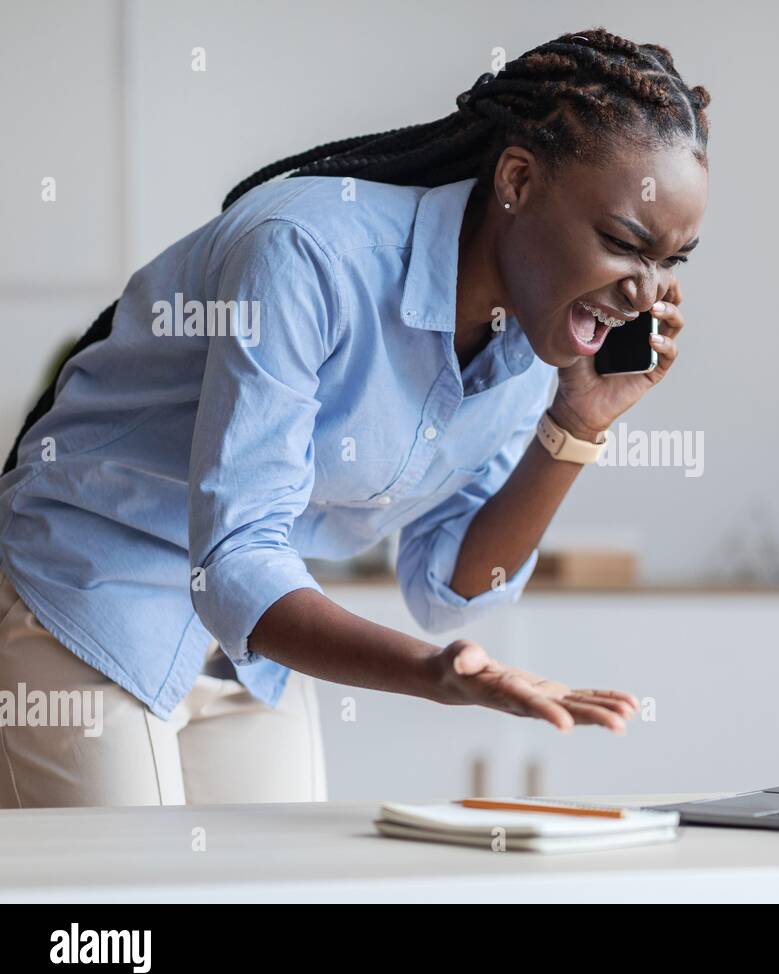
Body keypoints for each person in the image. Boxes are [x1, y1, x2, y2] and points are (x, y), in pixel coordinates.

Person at [0, 27, 710, 808]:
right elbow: (235, 559)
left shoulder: (530, 345)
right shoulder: (306, 250)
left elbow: (450, 583)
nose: (644, 291)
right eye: (623, 243)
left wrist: (576, 425)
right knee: (122, 919)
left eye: (668, 261)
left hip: (250, 641)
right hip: (90, 589)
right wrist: (431, 675)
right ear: (517, 178)